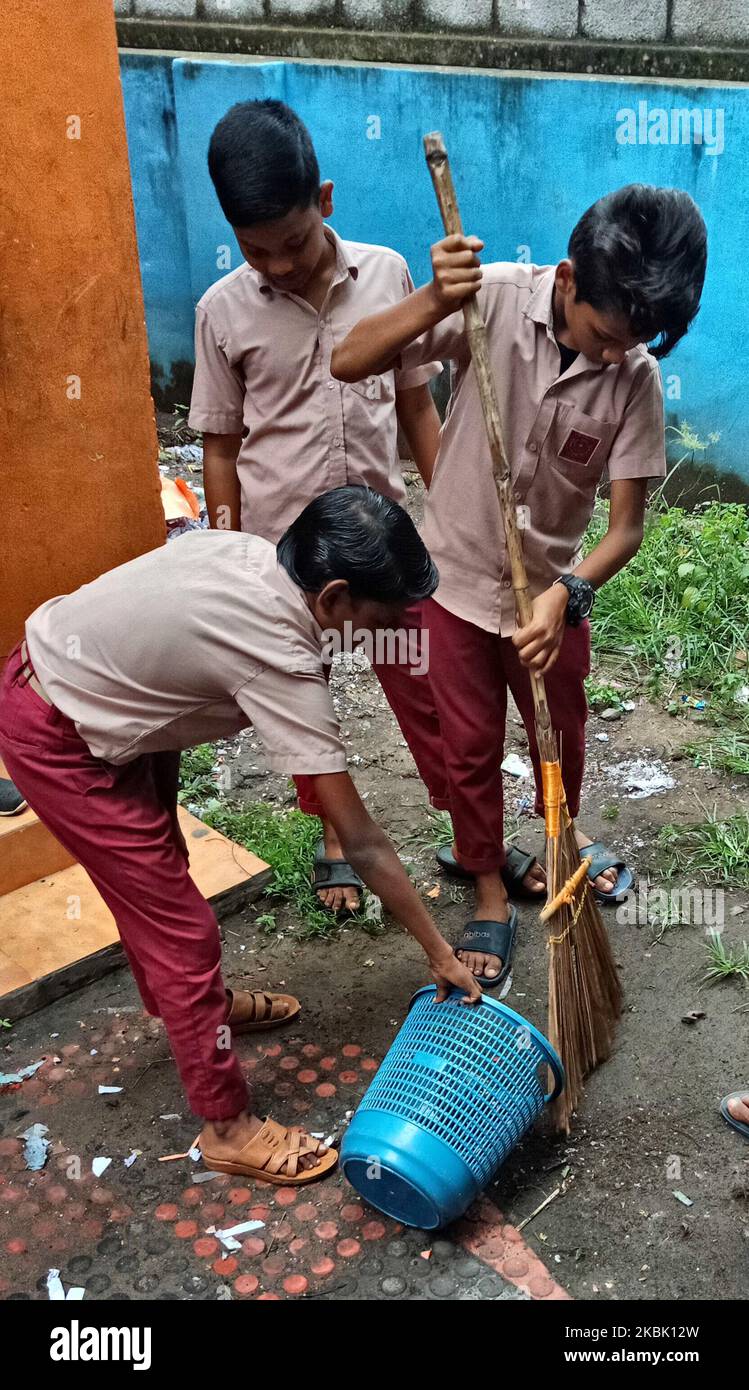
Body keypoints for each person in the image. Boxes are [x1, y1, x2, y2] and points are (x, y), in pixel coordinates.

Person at [0, 487, 480, 1186]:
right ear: (334, 596)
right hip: (60, 734)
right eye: (381, 619)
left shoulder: (252, 551)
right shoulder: (276, 655)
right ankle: (226, 1126)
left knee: (160, 876)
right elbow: (362, 841)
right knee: (181, 929)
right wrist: (438, 952)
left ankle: (194, 1011)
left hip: (104, 697)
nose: (388, 632)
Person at [332, 183, 707, 990]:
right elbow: (350, 359)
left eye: (633, 344)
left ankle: (562, 844)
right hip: (453, 589)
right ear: (567, 280)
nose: (614, 357)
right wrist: (435, 295)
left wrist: (566, 592)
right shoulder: (492, 299)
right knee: (466, 750)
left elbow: (625, 530)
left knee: (558, 746)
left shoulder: (633, 377)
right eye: (604, 336)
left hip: (549, 604)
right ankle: (491, 886)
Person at [189, 98, 447, 915]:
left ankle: (469, 825)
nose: (280, 265)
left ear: (325, 200)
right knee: (307, 700)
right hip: (284, 558)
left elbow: (416, 408)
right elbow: (221, 448)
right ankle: (335, 836)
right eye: (256, 250)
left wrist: (448, 513)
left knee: (426, 681)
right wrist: (226, 550)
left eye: (294, 242)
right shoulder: (221, 311)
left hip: (377, 544)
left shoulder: (388, 275)